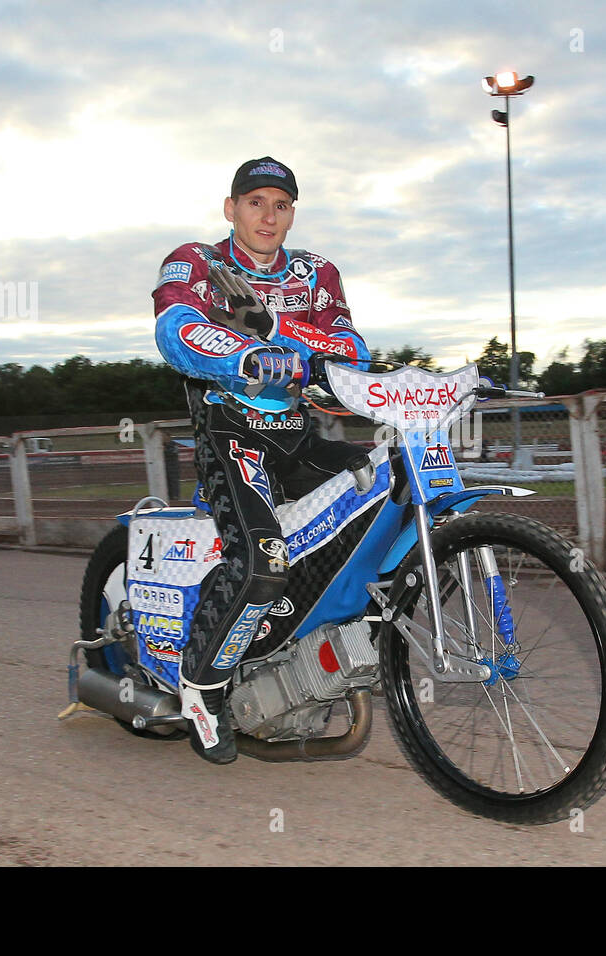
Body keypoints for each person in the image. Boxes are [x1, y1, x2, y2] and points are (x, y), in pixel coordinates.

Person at [152, 156, 373, 764]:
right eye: (255, 203)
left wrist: (280, 331)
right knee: (262, 563)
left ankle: (326, 651)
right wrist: (243, 357)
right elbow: (175, 327)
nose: (268, 216)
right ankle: (203, 685)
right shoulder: (199, 261)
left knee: (386, 496)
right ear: (231, 208)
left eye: (281, 204)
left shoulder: (318, 273)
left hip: (298, 435)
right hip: (231, 434)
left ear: (293, 212)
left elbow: (351, 351)